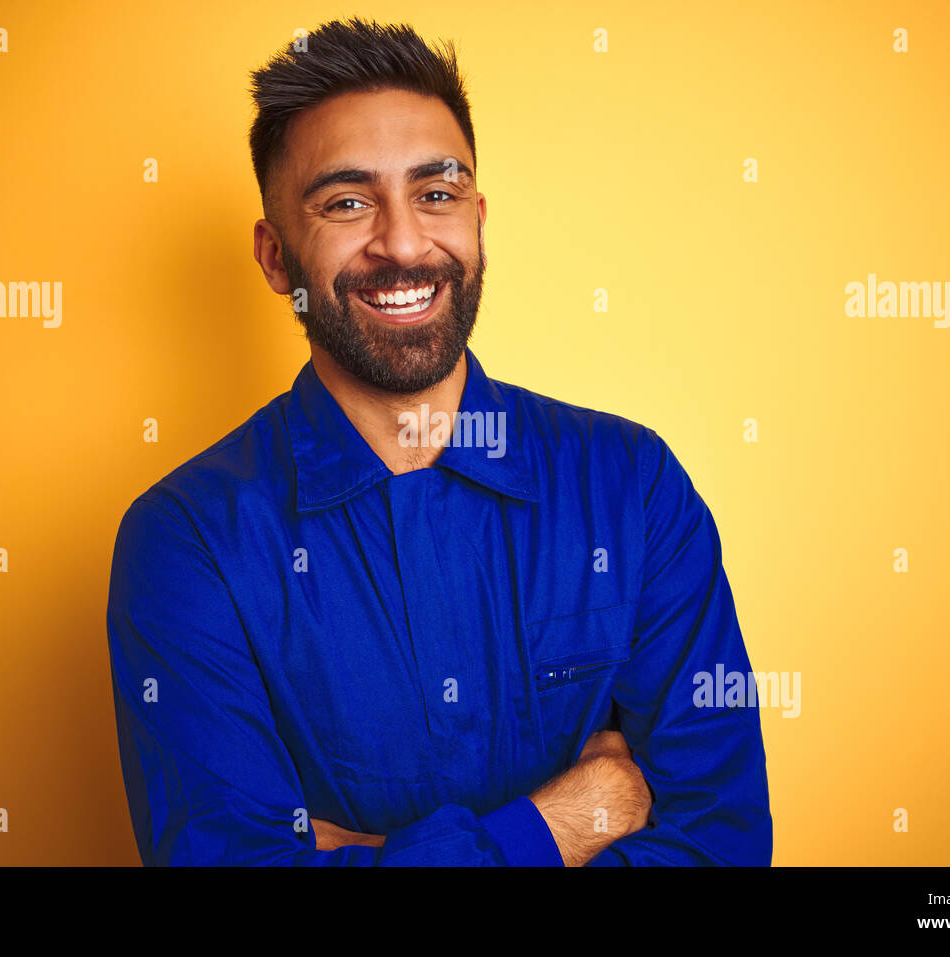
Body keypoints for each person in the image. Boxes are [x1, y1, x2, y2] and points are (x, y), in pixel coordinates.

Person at [106, 16, 772, 866]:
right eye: (347, 202)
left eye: (437, 193)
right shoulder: (187, 542)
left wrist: (368, 851)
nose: (406, 241)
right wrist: (564, 821)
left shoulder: (633, 488)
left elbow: (722, 843)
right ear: (276, 258)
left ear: (478, 219)